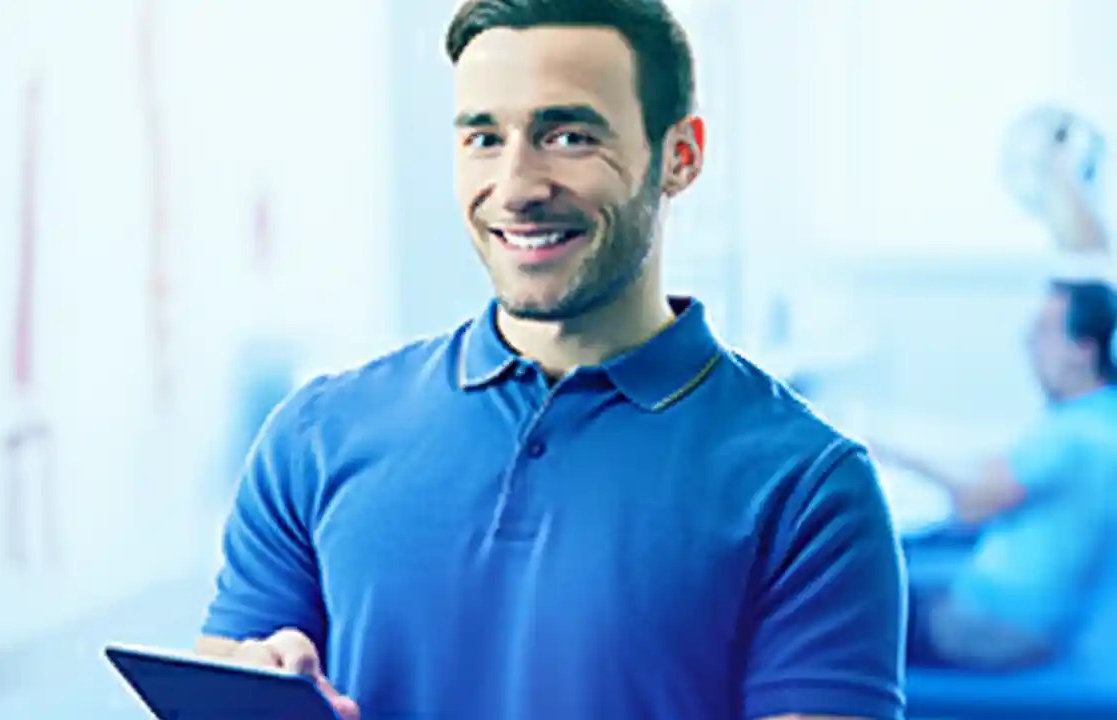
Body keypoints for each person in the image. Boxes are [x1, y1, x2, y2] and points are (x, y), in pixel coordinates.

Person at [196, 1, 906, 718]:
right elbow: (223, 683)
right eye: (483, 137)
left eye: (567, 135)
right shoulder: (315, 438)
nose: (516, 186)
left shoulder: (809, 488)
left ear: (681, 156)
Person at [877, 280, 1117, 670]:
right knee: (898, 584)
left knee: (831, 609)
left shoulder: (1074, 435)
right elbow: (998, 469)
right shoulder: (1099, 416)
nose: (1029, 345)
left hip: (999, 630)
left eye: (1043, 332)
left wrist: (891, 453)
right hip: (1021, 615)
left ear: (1083, 349)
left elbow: (973, 504)